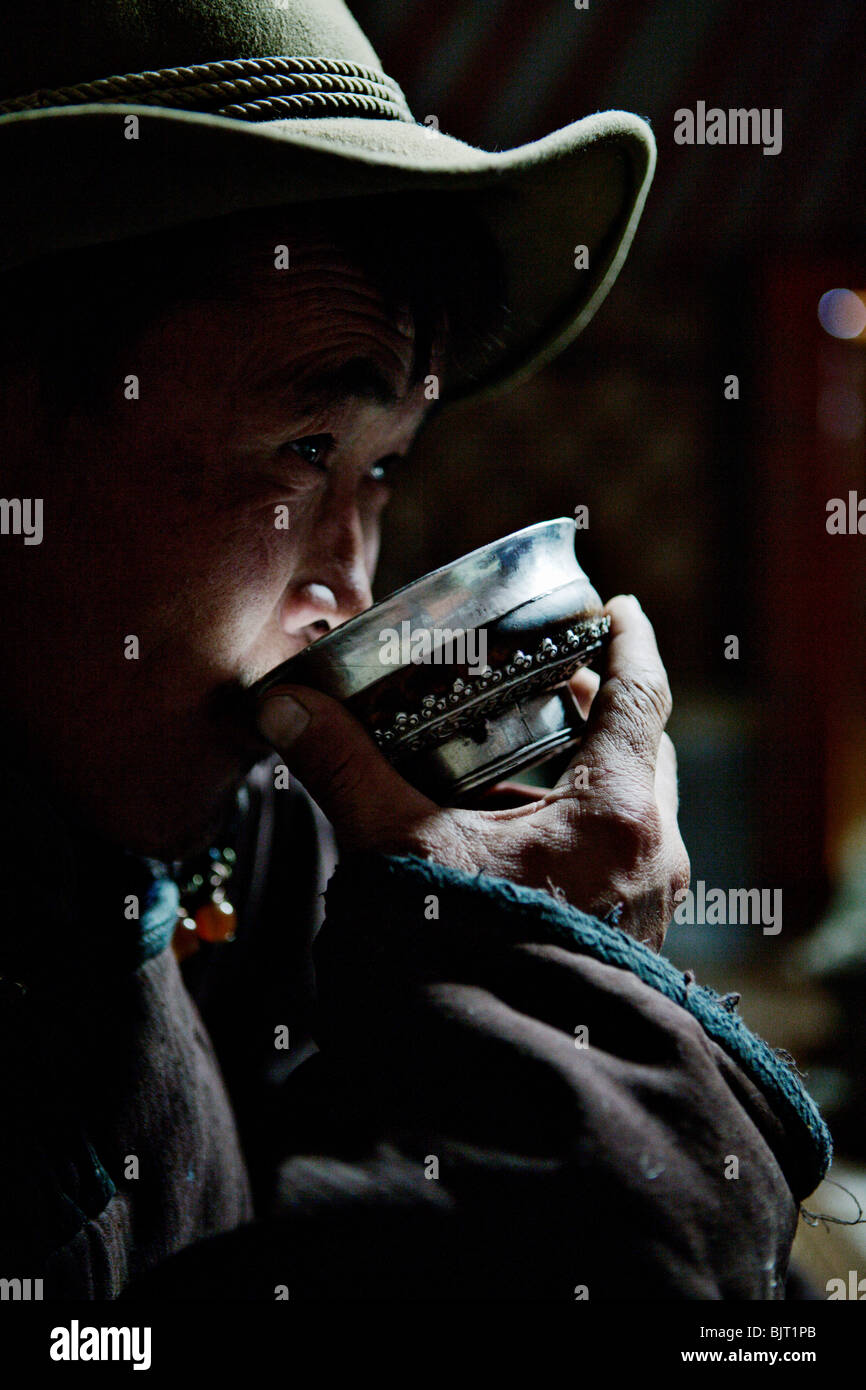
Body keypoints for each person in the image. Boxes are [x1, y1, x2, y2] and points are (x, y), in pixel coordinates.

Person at [0, 0, 829, 1301]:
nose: (348, 587)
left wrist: (500, 964)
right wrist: (577, 1005)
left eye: (381, 471)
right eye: (305, 450)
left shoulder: (236, 839)